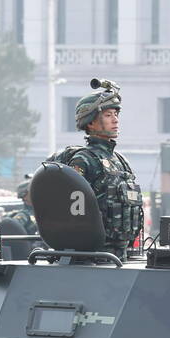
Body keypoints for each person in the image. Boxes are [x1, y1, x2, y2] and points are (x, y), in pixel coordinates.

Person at [51, 78, 143, 256]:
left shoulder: (121, 160)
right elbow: (72, 210)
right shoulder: (84, 160)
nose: (115, 120)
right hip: (94, 256)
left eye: (116, 115)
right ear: (91, 122)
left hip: (122, 254)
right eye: (108, 115)